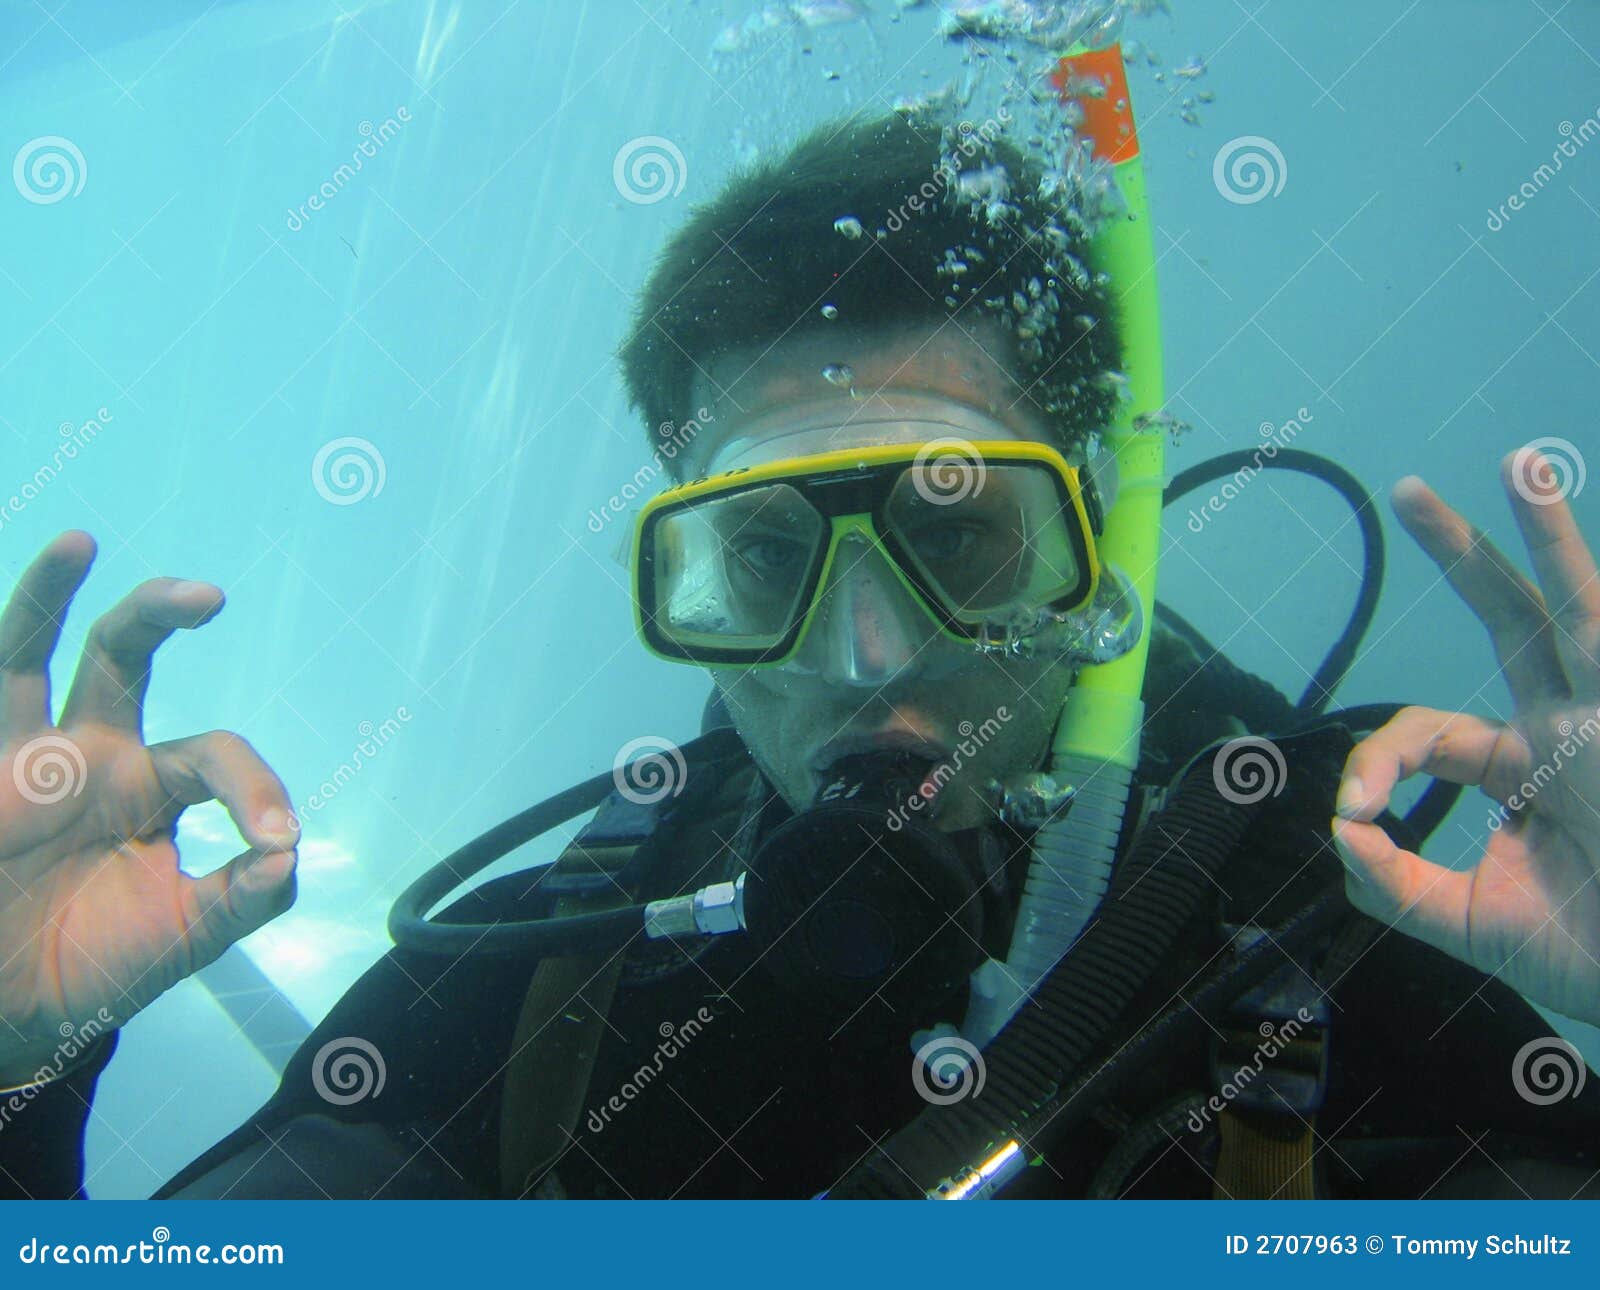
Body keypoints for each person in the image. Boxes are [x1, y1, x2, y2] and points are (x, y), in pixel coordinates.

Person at [2, 108, 1598, 1201]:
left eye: (959, 527)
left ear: (1095, 546)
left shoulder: (1348, 898)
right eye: (764, 556)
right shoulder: (551, 978)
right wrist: (20, 1056)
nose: (864, 650)